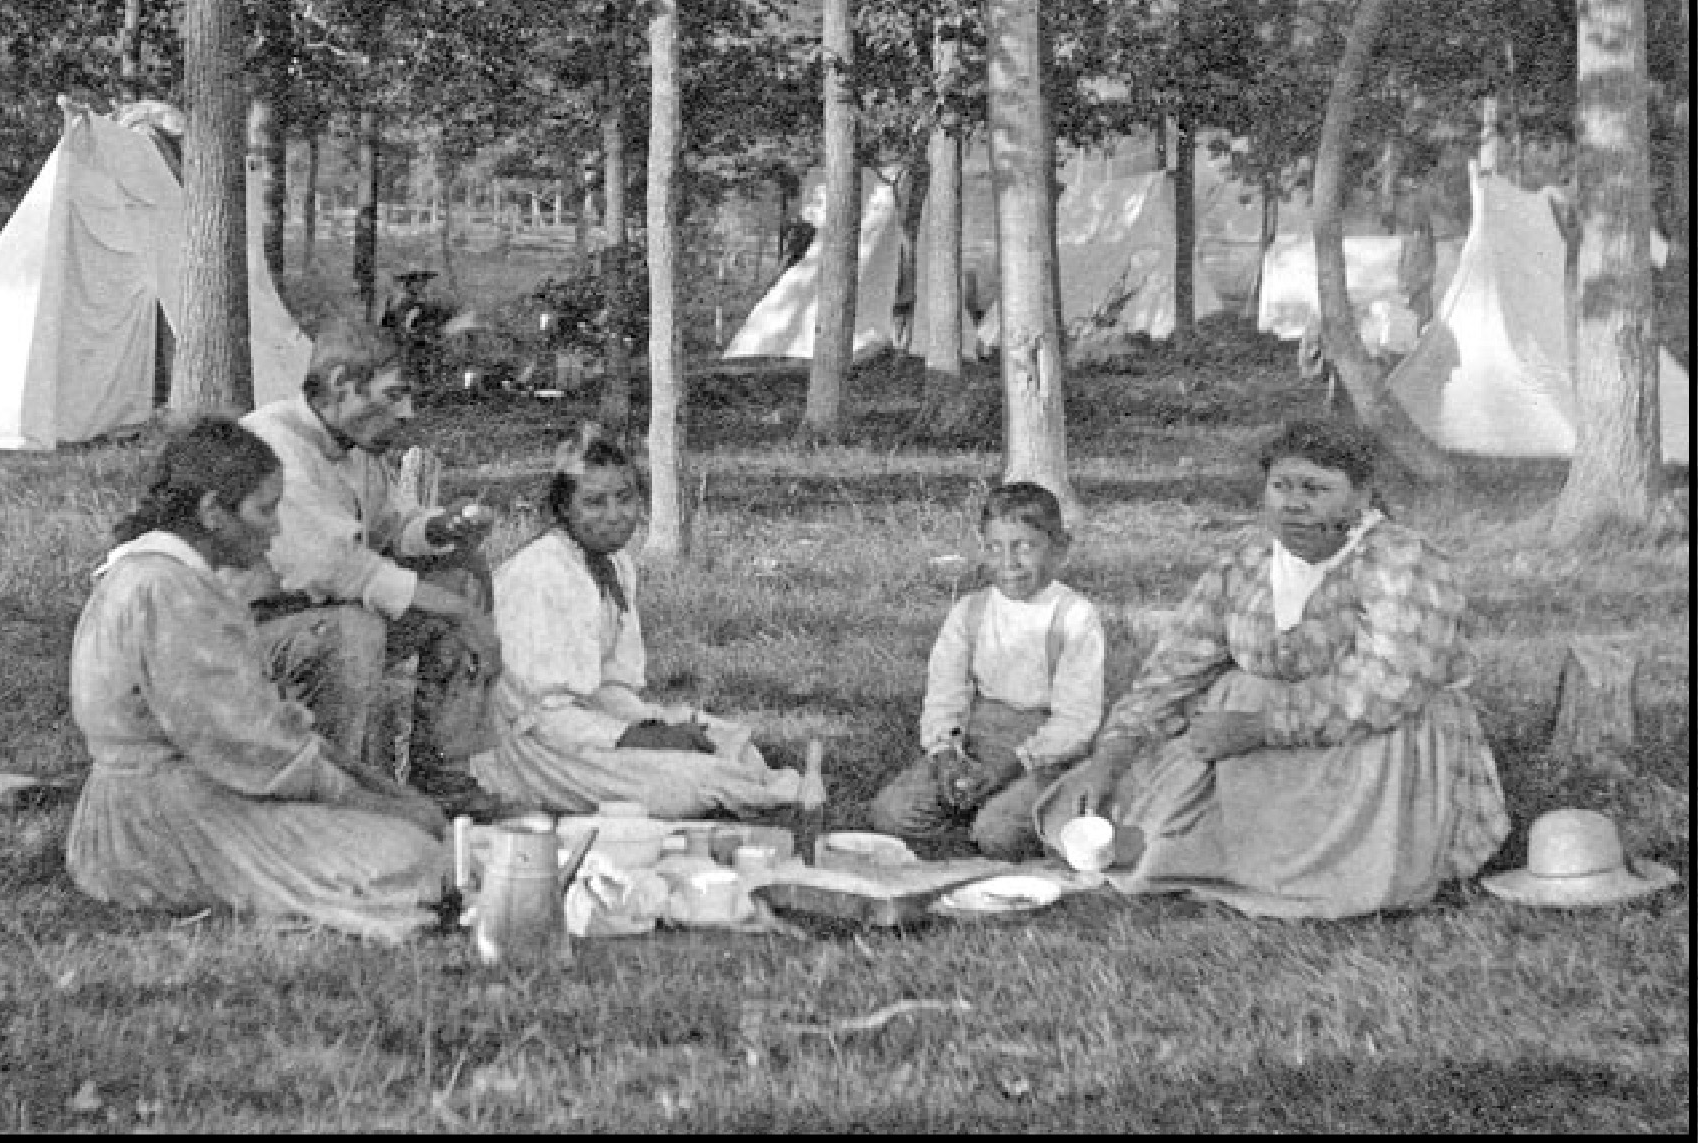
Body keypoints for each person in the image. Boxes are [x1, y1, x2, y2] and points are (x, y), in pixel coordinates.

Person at [1034, 416, 1511, 919]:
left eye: (1315, 489)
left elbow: (1386, 689)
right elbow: (1176, 666)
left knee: (1305, 866)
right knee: (1106, 815)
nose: (1293, 504)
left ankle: (1296, 862)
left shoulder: (1400, 562)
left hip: (1369, 746)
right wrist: (1114, 752)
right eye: (1280, 486)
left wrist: (1263, 725)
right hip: (1249, 744)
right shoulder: (1249, 559)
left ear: (1361, 495)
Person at [64, 416, 449, 942]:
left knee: (410, 832)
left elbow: (269, 730)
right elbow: (251, 749)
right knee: (410, 857)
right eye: (265, 510)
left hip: (190, 794)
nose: (274, 528)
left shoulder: (175, 577)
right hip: (156, 825)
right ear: (212, 512)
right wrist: (377, 805)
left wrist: (383, 791)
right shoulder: (165, 589)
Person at [466, 425, 804, 818]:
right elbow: (544, 718)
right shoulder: (541, 575)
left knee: (728, 742)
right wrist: (643, 738)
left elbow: (610, 685)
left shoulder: (617, 565)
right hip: (533, 752)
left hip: (584, 727)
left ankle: (760, 794)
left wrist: (653, 726)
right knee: (693, 782)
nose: (614, 516)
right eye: (594, 502)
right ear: (563, 509)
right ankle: (761, 799)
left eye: (624, 498)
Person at [240, 321, 501, 811]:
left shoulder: (357, 450)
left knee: (460, 579)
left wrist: (441, 528)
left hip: (320, 616)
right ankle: (333, 800)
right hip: (250, 632)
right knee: (356, 628)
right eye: (395, 394)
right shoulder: (274, 445)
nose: (407, 413)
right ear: (341, 385)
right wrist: (459, 614)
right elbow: (338, 567)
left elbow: (388, 530)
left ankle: (442, 774)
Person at [867, 482, 1106, 859]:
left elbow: (1076, 719)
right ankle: (973, 811)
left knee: (999, 833)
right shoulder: (970, 611)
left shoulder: (1074, 617)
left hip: (1046, 748)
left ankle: (1018, 815)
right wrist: (946, 755)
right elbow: (946, 692)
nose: (1009, 563)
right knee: (891, 814)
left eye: (1025, 547)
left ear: (1060, 548)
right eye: (996, 548)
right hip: (979, 735)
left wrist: (1008, 768)